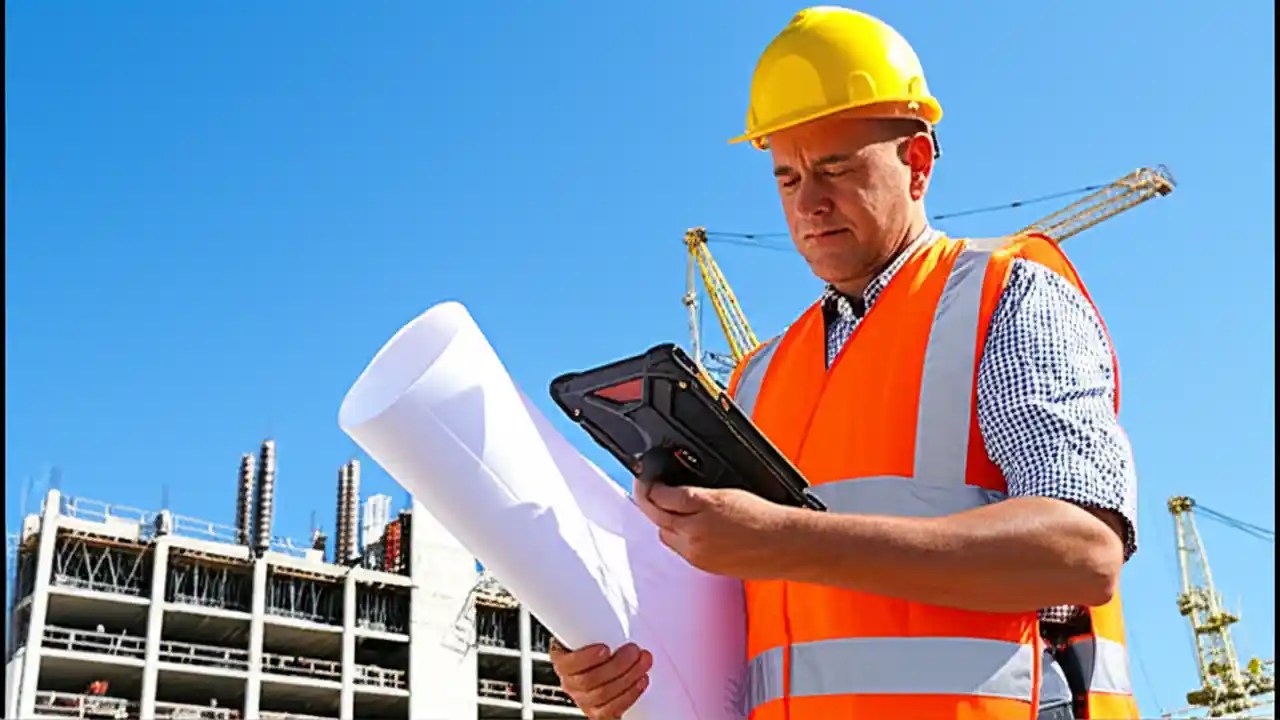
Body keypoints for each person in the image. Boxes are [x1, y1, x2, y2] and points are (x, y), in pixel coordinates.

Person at [550, 7, 1140, 720]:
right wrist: (621, 661)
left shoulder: (1008, 295)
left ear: (917, 163)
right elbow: (743, 624)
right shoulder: (758, 376)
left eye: (836, 169)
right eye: (788, 178)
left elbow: (1082, 552)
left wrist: (789, 541)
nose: (810, 204)